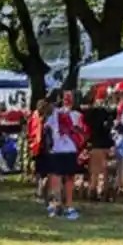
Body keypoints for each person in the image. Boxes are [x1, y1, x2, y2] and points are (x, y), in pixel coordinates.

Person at [44, 91, 85, 220]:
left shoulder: (77, 115)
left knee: (68, 179)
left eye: (70, 98)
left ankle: (68, 205)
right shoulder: (55, 114)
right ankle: (57, 204)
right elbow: (47, 127)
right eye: (66, 97)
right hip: (58, 150)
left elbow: (81, 132)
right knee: (57, 178)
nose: (68, 100)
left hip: (70, 150)